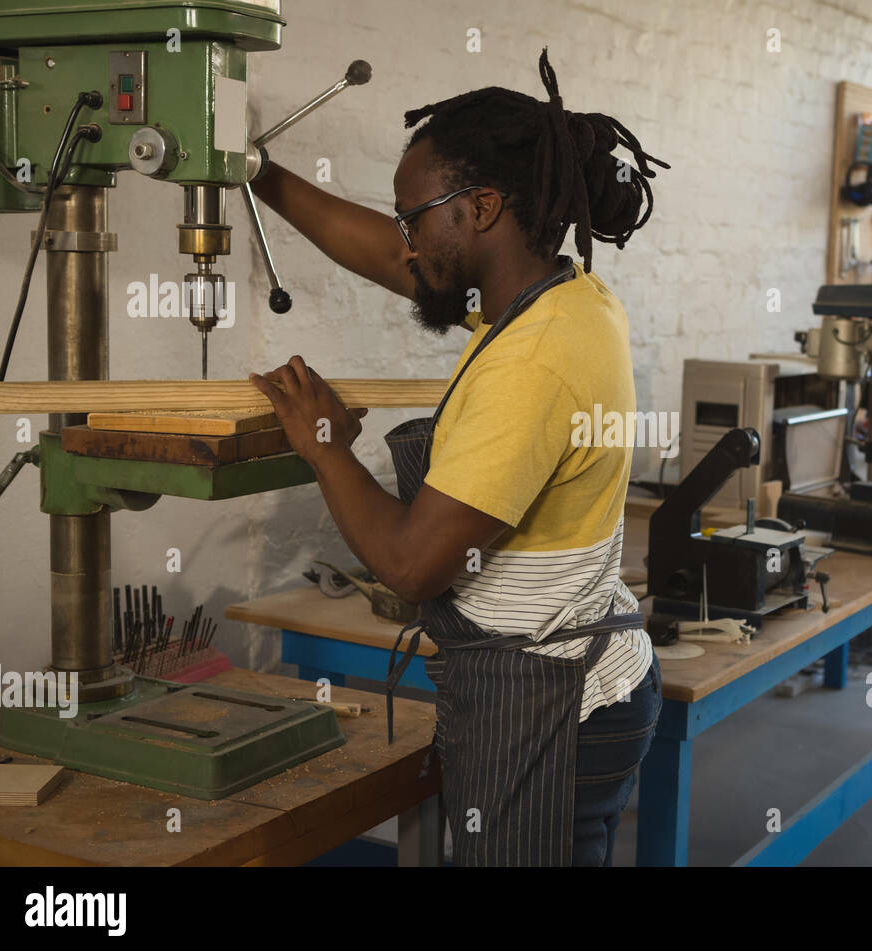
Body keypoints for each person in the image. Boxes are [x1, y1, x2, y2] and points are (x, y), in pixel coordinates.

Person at [248, 49, 669, 866]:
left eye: (415, 217)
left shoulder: (534, 361)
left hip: (556, 702)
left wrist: (325, 442)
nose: (403, 239)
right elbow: (384, 253)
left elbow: (412, 567)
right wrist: (260, 173)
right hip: (578, 674)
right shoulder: (556, 297)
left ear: (480, 207)